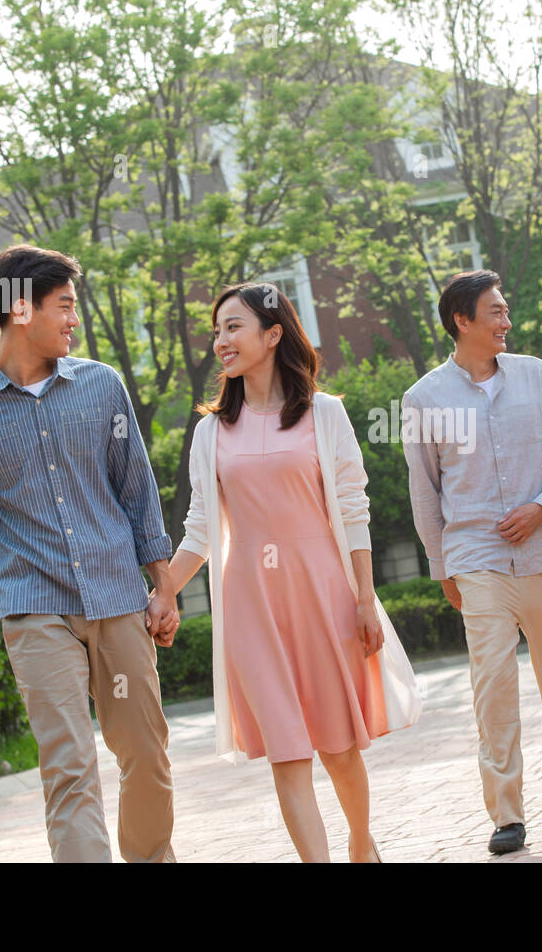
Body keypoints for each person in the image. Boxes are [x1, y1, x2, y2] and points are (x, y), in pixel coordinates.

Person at [151, 282, 421, 863]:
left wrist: (366, 599)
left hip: (322, 592)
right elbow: (200, 528)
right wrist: (163, 590)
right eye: (217, 329)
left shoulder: (325, 415)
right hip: (250, 604)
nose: (220, 340)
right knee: (288, 752)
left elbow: (352, 508)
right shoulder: (209, 432)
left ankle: (360, 842)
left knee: (339, 743)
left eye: (233, 327)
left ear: (272, 335)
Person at [0, 243, 178, 862]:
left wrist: (164, 586)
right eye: (65, 306)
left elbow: (137, 494)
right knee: (68, 765)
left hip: (117, 598)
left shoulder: (101, 387)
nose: (75, 319)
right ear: (21, 309)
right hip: (35, 611)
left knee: (144, 753)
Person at [402, 269, 542, 856]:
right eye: (494, 311)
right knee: (492, 686)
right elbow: (425, 491)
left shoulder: (535, 375)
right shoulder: (423, 399)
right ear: (461, 320)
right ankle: (506, 816)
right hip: (478, 560)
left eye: (506, 310)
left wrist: (541, 509)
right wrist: (442, 568)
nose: (506, 321)